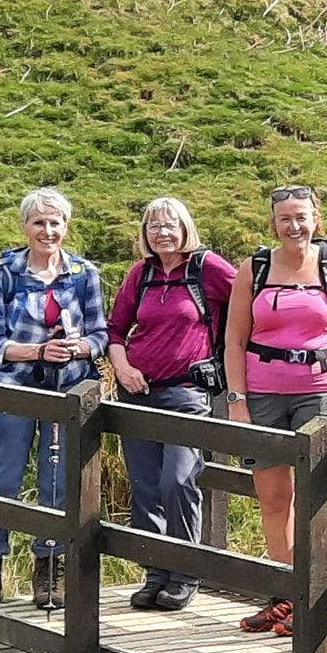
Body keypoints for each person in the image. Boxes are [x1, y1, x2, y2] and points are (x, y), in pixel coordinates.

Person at [224, 184, 327, 636]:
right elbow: (233, 339)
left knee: (314, 499)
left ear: (316, 218)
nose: (294, 226)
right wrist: (237, 400)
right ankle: (285, 597)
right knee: (273, 498)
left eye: (302, 216)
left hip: (319, 392)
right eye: (285, 218)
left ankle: (314, 600)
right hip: (263, 392)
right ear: (274, 223)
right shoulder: (255, 267)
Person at [0, 188, 109, 609]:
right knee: (3, 479)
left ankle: (49, 571)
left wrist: (76, 348)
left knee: (57, 482)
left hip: (66, 390)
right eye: (39, 223)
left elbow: (101, 335)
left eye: (55, 223)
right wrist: (37, 352)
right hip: (14, 388)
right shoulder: (4, 273)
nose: (48, 231)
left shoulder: (84, 274)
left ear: (67, 226)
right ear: (25, 226)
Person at [106, 197, 236, 612]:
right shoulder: (140, 274)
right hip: (139, 392)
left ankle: (184, 572)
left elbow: (248, 306)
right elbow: (114, 330)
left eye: (171, 224)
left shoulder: (207, 268)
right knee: (145, 486)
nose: (162, 232)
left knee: (177, 480)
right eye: (154, 226)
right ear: (144, 233)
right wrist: (122, 368)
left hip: (187, 391)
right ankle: (156, 572)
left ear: (186, 228)